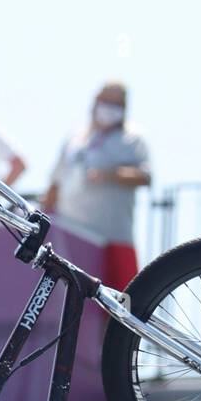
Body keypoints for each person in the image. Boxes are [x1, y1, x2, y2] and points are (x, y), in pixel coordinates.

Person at [42, 81, 151, 292]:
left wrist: (109, 174)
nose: (109, 107)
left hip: (113, 238)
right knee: (69, 299)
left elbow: (144, 176)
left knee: (122, 306)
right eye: (105, 101)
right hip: (71, 238)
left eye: (116, 102)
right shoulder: (75, 138)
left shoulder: (133, 138)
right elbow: (55, 182)